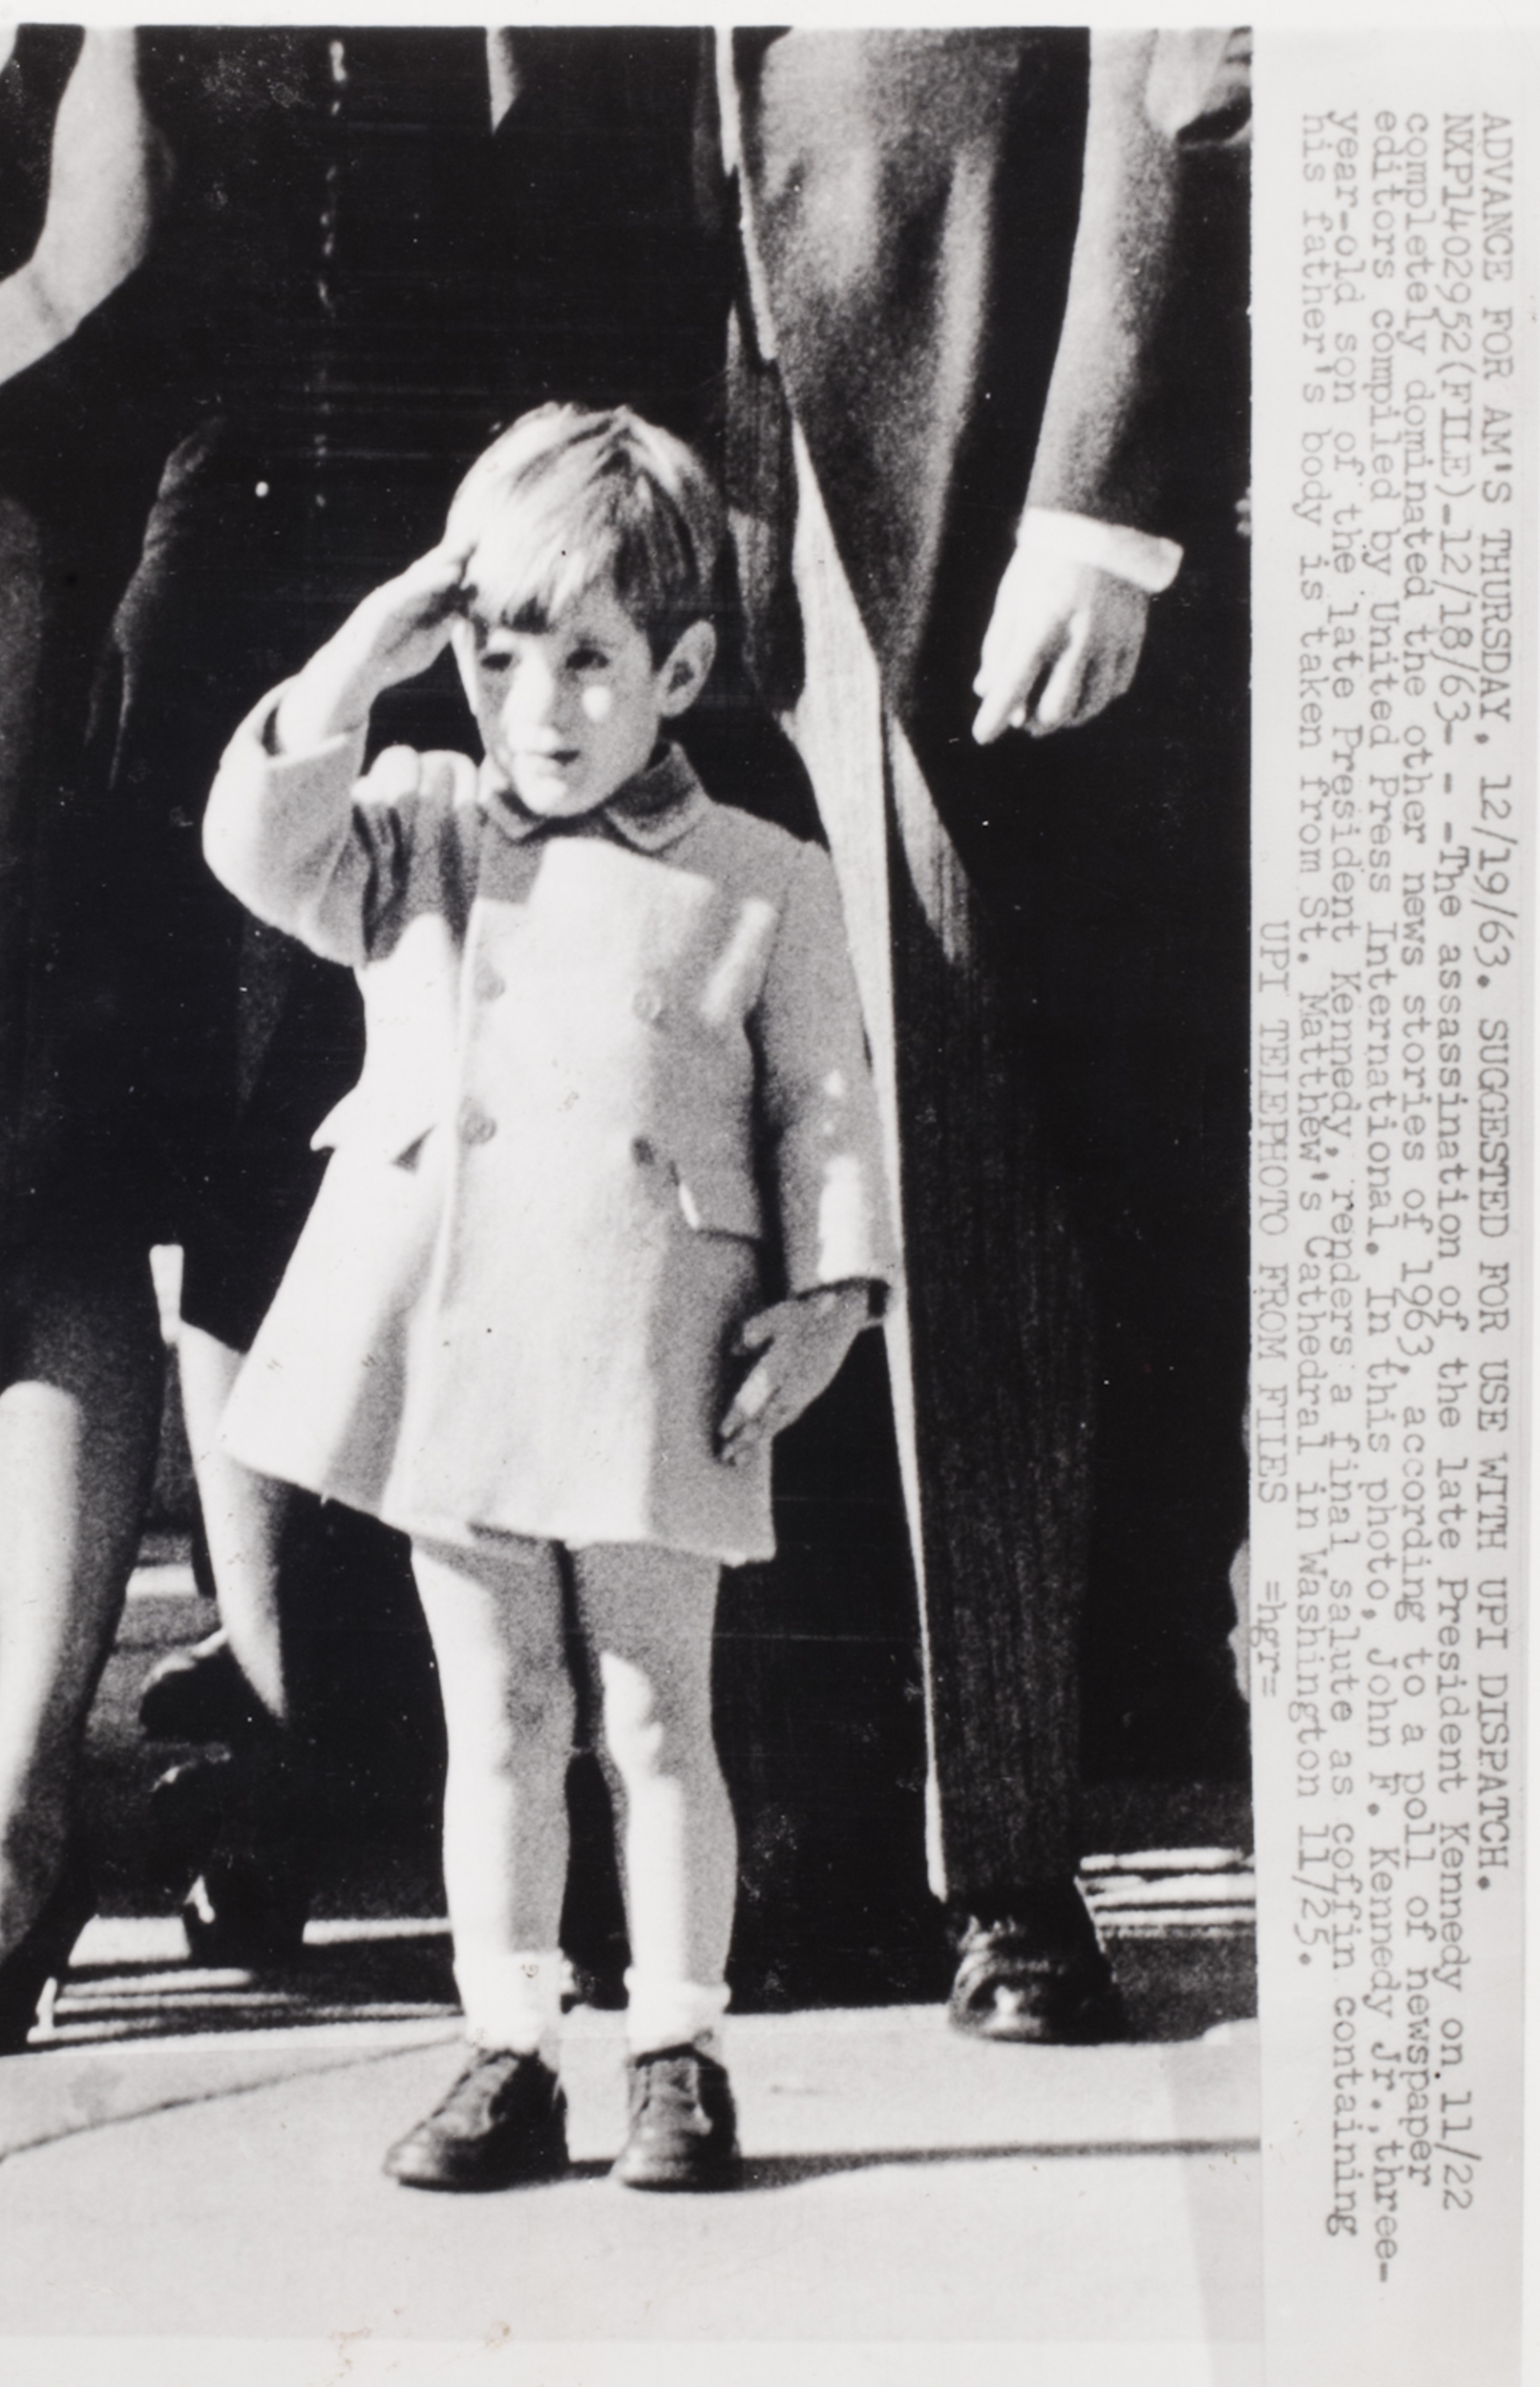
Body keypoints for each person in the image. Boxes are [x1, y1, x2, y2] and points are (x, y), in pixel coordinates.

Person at [202, 407, 897, 2188]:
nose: (541, 709)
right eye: (499, 661)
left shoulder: (765, 878)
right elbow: (255, 852)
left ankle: (678, 2047)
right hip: (458, 1339)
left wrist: (833, 1294)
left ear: (680, 670)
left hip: (660, 1345)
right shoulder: (414, 831)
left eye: (589, 661)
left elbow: (823, 1105)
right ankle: (505, 2048)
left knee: (658, 1713)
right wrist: (365, 655)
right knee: (501, 1713)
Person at [718, 28, 1252, 2038]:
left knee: (954, 1169)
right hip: (662, 460)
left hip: (944, 440)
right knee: (690, 1156)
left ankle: (1003, 1862)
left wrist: (1101, 490)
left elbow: (1175, 48)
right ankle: (775, 1830)